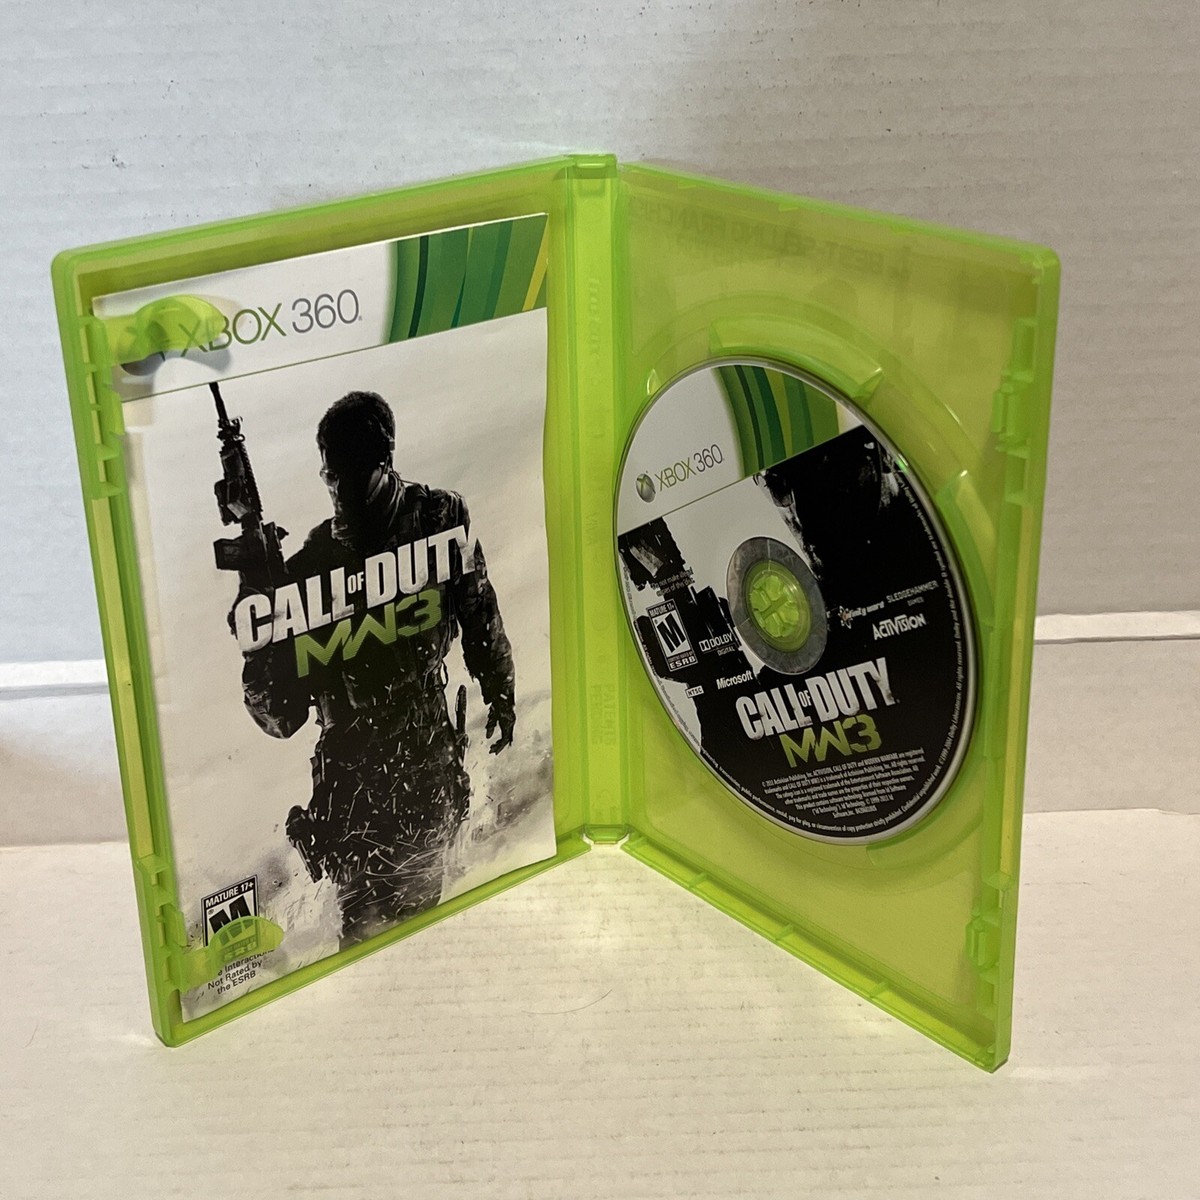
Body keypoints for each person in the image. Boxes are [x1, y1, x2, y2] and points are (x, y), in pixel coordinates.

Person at [234, 390, 516, 944]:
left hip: (424, 766)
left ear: (385, 459)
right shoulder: (311, 566)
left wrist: (500, 689)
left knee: (424, 918)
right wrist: (258, 615)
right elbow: (280, 717)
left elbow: (479, 608)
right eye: (332, 476)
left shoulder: (439, 517)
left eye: (351, 472)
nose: (340, 490)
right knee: (364, 940)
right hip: (353, 792)